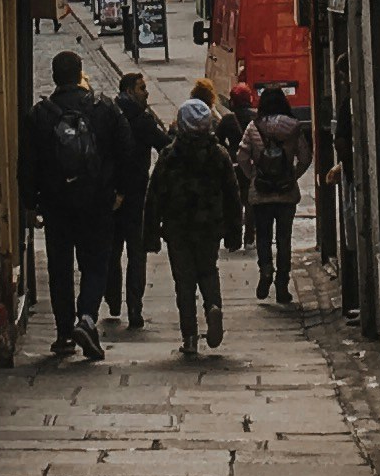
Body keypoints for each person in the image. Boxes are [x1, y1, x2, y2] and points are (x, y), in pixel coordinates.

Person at [22, 53, 111, 363]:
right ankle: (86, 317)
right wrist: (117, 190)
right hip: (94, 201)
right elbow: (125, 147)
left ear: (54, 76)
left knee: (59, 268)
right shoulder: (100, 108)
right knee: (95, 262)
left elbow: (27, 162)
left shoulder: (40, 115)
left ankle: (63, 334)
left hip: (55, 203)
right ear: (80, 73)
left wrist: (29, 203)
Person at [147, 96, 243, 360]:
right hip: (210, 225)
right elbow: (233, 194)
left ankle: (189, 336)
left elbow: (154, 195)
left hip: (178, 227)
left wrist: (151, 234)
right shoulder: (219, 155)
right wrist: (235, 231)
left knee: (184, 281)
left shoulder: (170, 155)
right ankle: (213, 305)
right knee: (208, 271)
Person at [239, 86, 309, 303]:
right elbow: (306, 157)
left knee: (263, 235)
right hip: (286, 191)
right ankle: (282, 283)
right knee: (284, 238)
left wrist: (252, 174)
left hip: (261, 190)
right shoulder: (294, 127)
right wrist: (293, 175)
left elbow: (242, 155)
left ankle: (266, 270)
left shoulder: (254, 126)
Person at [112, 71, 163, 333]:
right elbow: (164, 145)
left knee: (111, 251)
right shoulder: (142, 120)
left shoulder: (109, 113)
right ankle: (134, 307)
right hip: (134, 196)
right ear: (131, 90)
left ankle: (111, 300)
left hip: (110, 197)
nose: (147, 92)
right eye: (142, 88)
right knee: (136, 253)